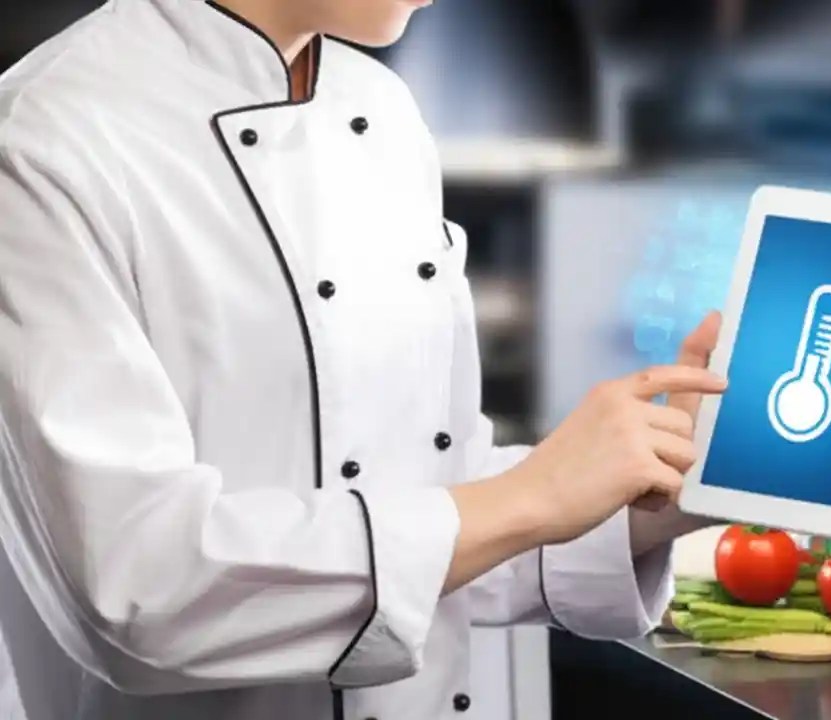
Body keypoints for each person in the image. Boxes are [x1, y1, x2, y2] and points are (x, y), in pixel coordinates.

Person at [0, 0, 727, 718]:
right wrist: (533, 497)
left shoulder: (382, 106)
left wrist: (649, 495)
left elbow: (431, 502)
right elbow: (142, 590)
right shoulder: (46, 138)